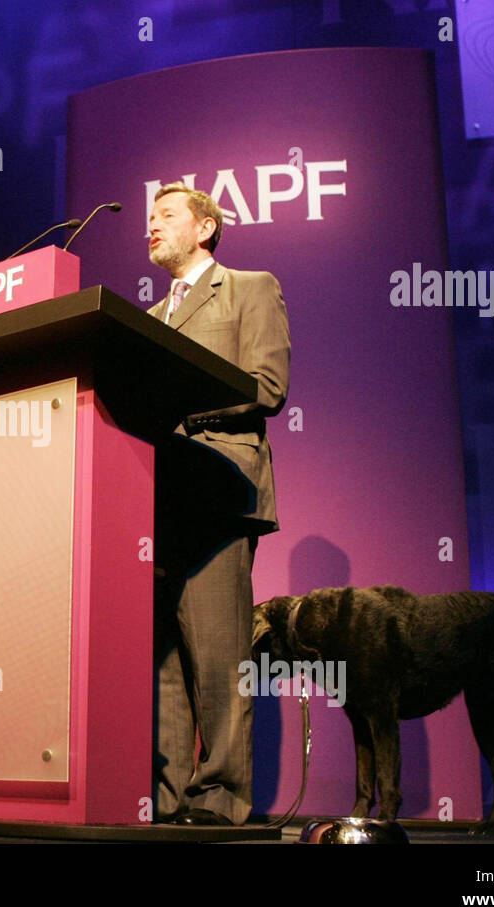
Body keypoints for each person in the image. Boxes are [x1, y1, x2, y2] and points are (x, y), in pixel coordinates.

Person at [145, 182, 290, 825]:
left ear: (204, 228)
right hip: (153, 505)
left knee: (220, 661)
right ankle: (168, 798)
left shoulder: (250, 287)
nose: (150, 227)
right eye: (149, 218)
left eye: (166, 216)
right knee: (164, 668)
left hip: (219, 492)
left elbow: (267, 384)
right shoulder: (147, 320)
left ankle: (220, 800)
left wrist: (177, 406)